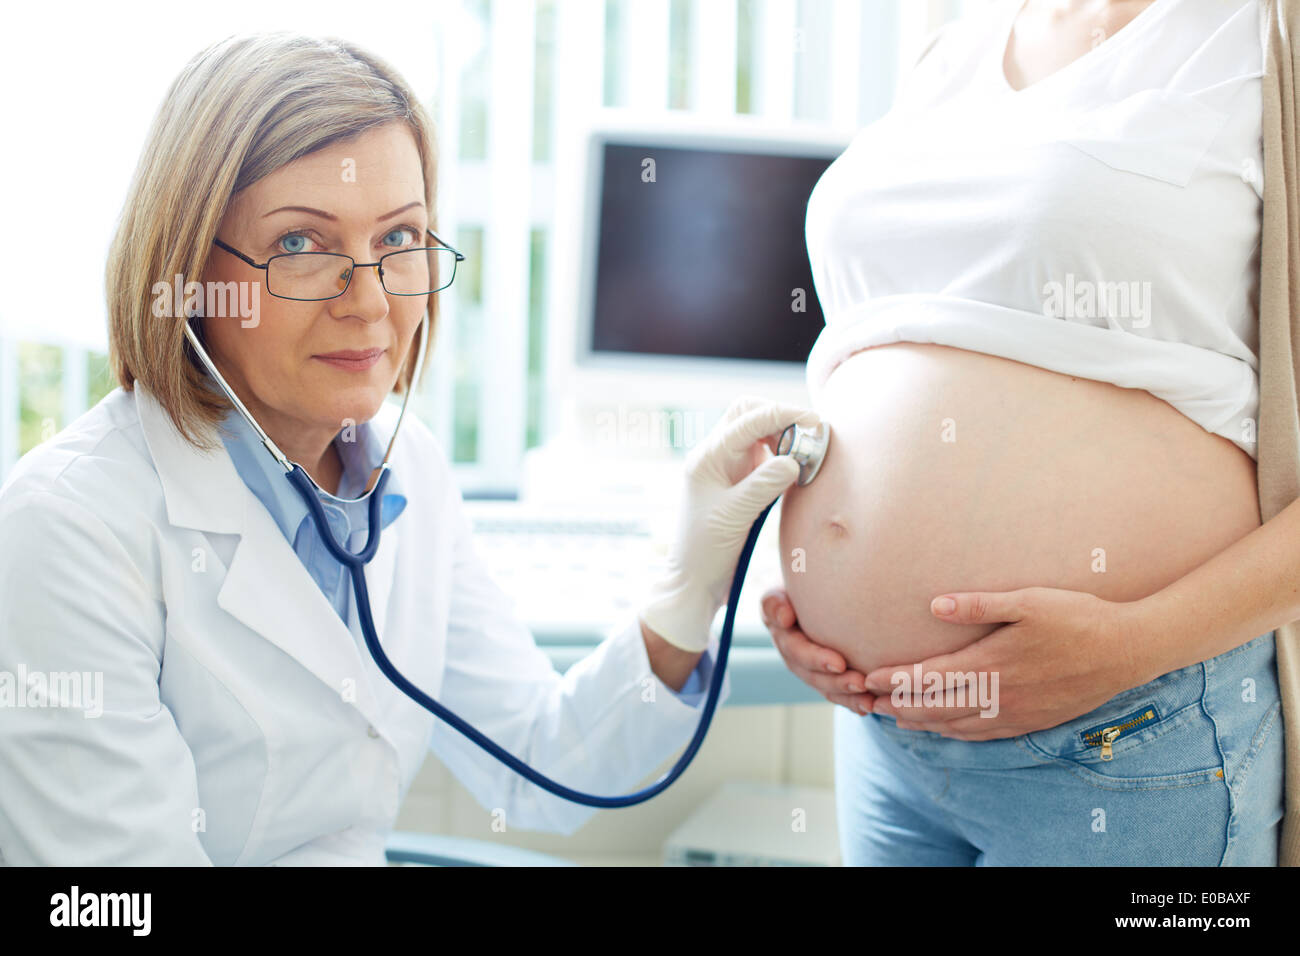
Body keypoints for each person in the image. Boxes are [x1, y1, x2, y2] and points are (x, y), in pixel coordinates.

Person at [0, 32, 816, 866]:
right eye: (299, 244)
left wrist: (689, 589)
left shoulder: (403, 468)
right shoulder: (70, 528)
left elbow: (543, 763)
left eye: (397, 239)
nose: (370, 302)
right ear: (186, 264)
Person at [762, 0, 1287, 865]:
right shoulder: (952, 40)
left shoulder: (1258, 37)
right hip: (886, 734)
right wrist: (814, 579)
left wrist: (1130, 646)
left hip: (1133, 732)